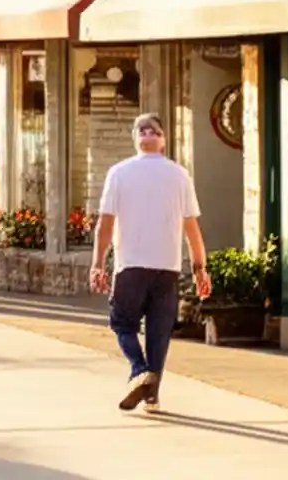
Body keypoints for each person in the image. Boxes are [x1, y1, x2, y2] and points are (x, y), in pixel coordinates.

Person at [90, 113, 211, 413]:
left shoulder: (119, 173)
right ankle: (152, 394)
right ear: (160, 141)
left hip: (131, 265)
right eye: (145, 129)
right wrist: (199, 268)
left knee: (122, 324)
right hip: (166, 267)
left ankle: (139, 371)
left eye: (150, 129)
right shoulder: (179, 174)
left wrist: (97, 264)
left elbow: (105, 225)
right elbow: (192, 229)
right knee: (158, 332)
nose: (147, 133)